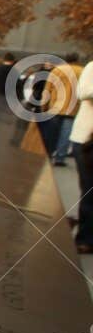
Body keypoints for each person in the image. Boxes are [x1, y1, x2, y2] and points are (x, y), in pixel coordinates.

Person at [39, 56, 81, 166]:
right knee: (66, 134)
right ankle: (59, 158)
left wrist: (43, 106)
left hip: (55, 106)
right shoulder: (82, 71)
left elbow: (47, 89)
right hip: (73, 108)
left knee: (51, 133)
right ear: (77, 61)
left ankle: (47, 155)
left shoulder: (57, 70)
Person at [72, 58, 93, 254]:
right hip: (86, 140)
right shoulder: (91, 67)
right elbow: (83, 92)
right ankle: (85, 239)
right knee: (90, 190)